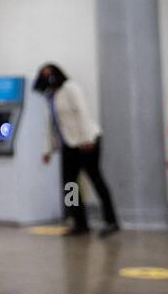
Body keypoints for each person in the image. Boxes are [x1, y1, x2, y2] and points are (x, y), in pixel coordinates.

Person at [34, 63, 120, 237]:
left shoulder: (70, 88)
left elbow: (82, 113)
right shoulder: (51, 95)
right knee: (70, 184)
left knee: (96, 179)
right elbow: (52, 125)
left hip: (87, 141)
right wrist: (48, 150)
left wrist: (86, 139)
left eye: (50, 73)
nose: (48, 77)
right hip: (69, 144)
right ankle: (79, 222)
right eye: (44, 74)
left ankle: (111, 221)